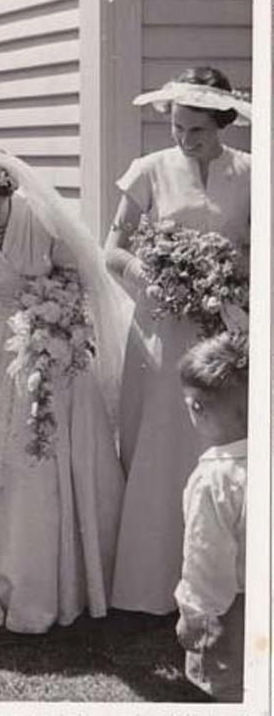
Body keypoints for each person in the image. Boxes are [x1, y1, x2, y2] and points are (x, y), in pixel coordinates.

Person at [0, 144, 126, 634]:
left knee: (45, 441)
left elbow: (78, 277)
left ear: (8, 192)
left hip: (47, 337)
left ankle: (59, 572)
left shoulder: (41, 221)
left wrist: (51, 320)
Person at [104, 67, 251, 614]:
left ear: (222, 124)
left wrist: (229, 281)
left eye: (197, 130)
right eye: (176, 127)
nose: (185, 139)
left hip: (226, 323)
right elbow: (112, 251)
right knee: (161, 445)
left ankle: (221, 585)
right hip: (163, 327)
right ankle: (149, 589)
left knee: (220, 438)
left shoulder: (252, 173)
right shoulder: (148, 170)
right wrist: (159, 279)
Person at [175, 331, 248, 702]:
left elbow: (206, 557)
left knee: (234, 690)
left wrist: (194, 614)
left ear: (197, 408)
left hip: (230, 614)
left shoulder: (213, 478)